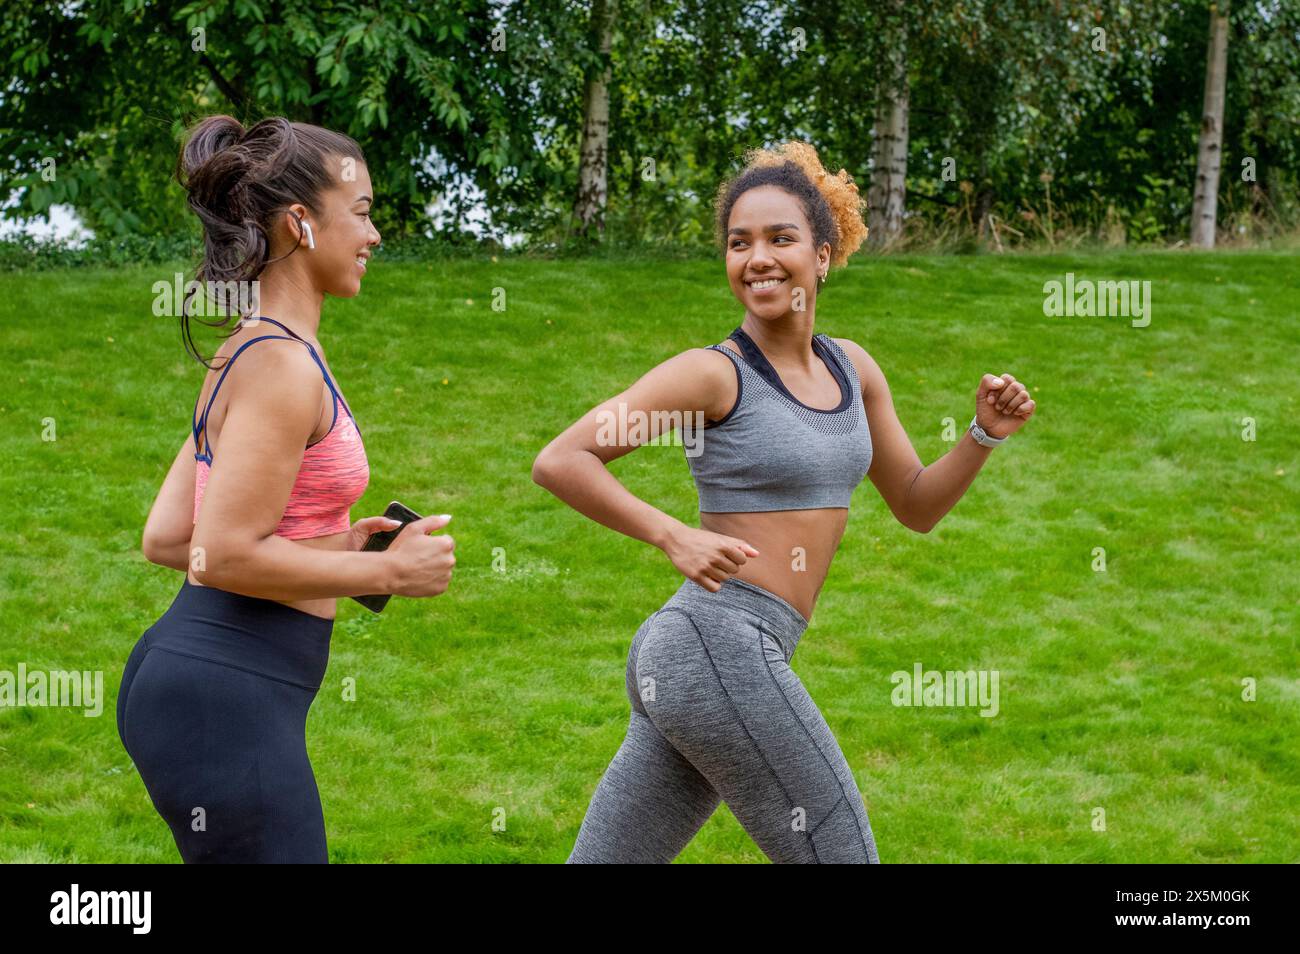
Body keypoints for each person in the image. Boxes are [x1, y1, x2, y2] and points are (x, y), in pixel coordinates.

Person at [532, 141, 1036, 863]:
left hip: (713, 656)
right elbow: (563, 459)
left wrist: (984, 435)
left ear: (823, 256)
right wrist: (673, 535)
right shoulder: (713, 378)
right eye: (739, 243)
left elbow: (916, 504)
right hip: (716, 644)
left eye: (780, 238)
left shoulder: (852, 369)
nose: (757, 257)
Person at [118, 115, 456, 863]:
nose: (374, 235)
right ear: (302, 223)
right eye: (362, 212)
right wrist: (385, 570)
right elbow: (223, 554)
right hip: (223, 699)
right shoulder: (280, 366)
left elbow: (170, 537)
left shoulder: (252, 346)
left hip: (202, 684)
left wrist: (339, 543)